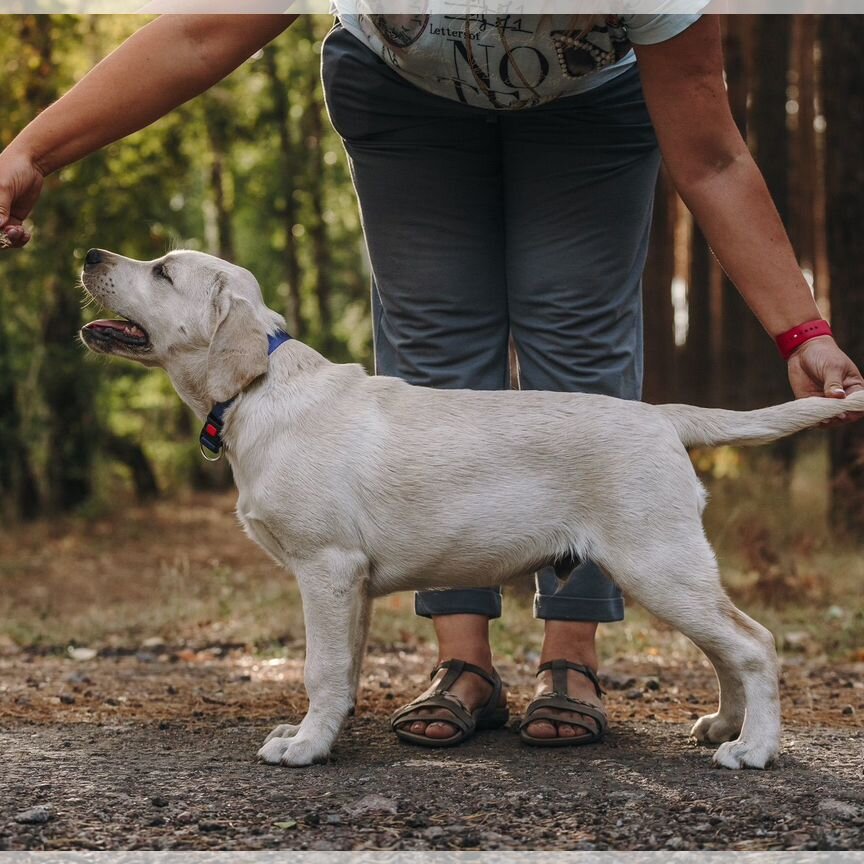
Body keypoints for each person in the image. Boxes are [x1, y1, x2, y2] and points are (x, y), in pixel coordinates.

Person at [1, 11, 861, 749]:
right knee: (434, 346)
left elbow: (711, 159)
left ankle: (574, 664)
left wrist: (804, 329)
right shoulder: (277, 418)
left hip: (592, 98)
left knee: (581, 349)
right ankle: (465, 665)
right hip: (399, 86)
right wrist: (32, 151)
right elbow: (203, 27)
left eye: (161, 273)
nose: (132, 271)